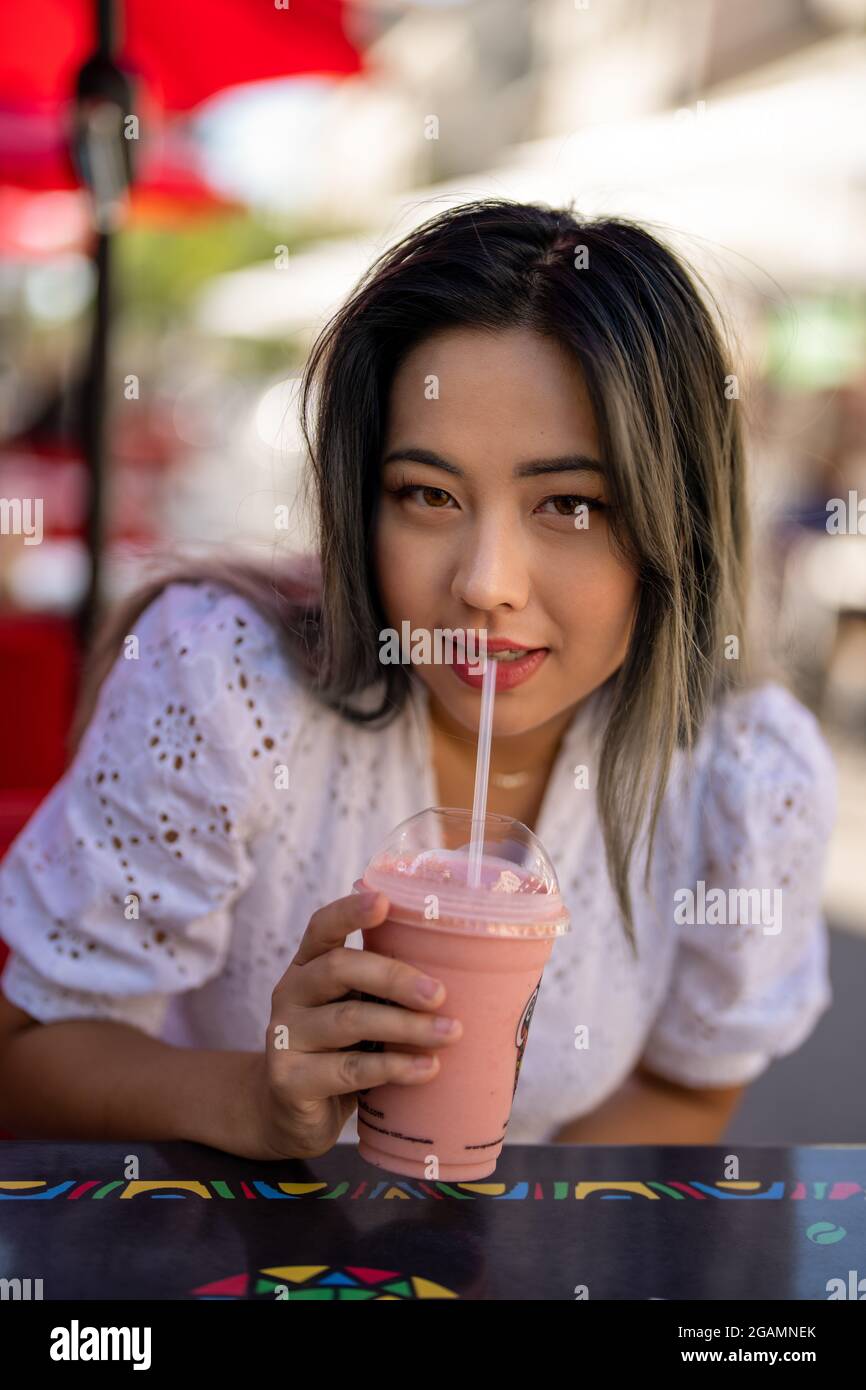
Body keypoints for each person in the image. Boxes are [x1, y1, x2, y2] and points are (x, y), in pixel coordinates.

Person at [0, 199, 836, 1159]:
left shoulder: (746, 776)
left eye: (570, 503)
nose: (486, 585)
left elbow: (683, 1084)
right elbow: (29, 1052)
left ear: (676, 525)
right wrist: (256, 1099)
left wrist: (493, 1248)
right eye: (429, 495)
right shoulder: (224, 685)